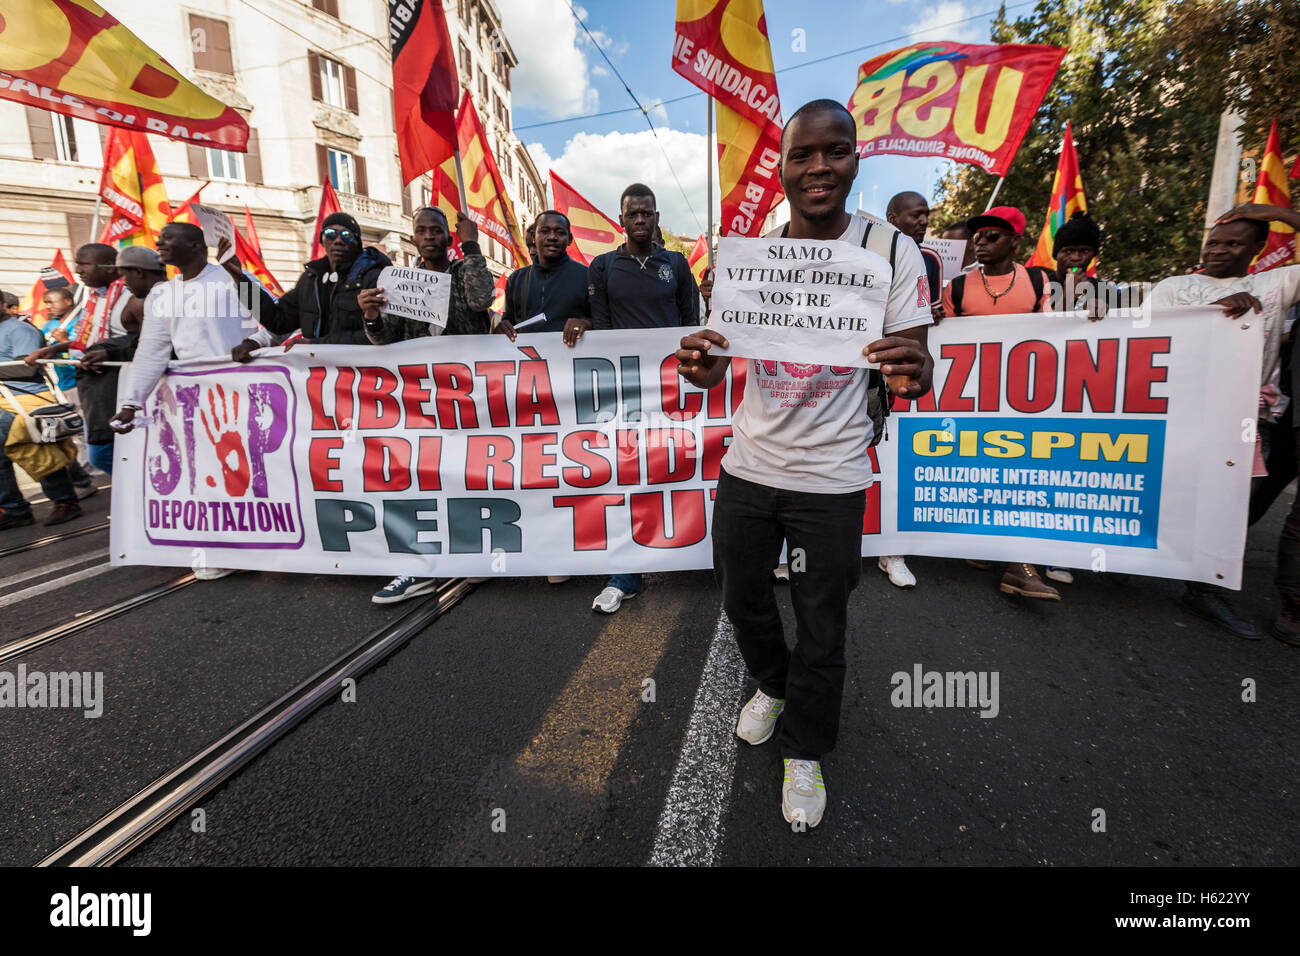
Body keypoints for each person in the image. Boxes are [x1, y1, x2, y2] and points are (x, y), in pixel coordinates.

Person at [677, 99, 933, 828]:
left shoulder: (890, 251)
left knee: (823, 623)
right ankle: (774, 683)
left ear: (856, 159)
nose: (819, 166)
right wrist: (697, 362)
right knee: (739, 598)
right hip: (751, 463)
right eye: (802, 154)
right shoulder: (753, 251)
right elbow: (713, 367)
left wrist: (915, 368)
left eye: (836, 151)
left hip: (832, 477)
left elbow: (919, 369)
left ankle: (805, 750)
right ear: (783, 166)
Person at [1147, 202, 1300, 641]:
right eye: (1213, 242)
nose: (1219, 250)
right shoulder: (1174, 286)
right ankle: (1121, 562)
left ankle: (1203, 589)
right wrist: (1214, 311)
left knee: (1224, 508)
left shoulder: (1274, 284)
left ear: (1257, 247)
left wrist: (1279, 213)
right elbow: (1149, 340)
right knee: (1158, 491)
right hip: (1176, 411)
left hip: (1241, 421)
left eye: (1234, 243)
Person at [109, 223, 269, 581]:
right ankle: (220, 546)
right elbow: (152, 350)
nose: (159, 244)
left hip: (243, 394)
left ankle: (261, 542)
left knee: (245, 471)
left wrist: (253, 344)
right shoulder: (161, 295)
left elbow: (276, 323)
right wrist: (132, 403)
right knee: (204, 475)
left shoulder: (232, 279)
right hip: (191, 400)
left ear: (196, 245)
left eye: (168, 238)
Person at [356, 205, 495, 604]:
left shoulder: (463, 269)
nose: (430, 236)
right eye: (422, 230)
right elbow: (386, 340)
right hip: (421, 399)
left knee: (467, 478)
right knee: (423, 480)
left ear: (447, 238)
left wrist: (471, 245)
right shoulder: (400, 282)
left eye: (437, 230)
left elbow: (481, 298)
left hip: (468, 396)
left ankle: (473, 553)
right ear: (414, 237)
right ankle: (418, 568)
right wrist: (371, 317)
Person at [588, 182, 701, 613]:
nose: (640, 220)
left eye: (647, 213)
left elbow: (690, 323)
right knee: (628, 475)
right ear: (621, 219)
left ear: (657, 219)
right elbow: (600, 330)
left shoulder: (676, 263)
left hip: (673, 388)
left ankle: (690, 551)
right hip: (627, 391)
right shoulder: (601, 267)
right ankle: (625, 575)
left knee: (680, 465)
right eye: (632, 213)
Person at [940, 206, 1061, 600]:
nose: (981, 243)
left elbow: (1072, 328)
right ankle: (984, 546)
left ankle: (1020, 566)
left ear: (1015, 241)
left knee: (1022, 479)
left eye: (993, 236)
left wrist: (1096, 312)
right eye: (978, 237)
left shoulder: (1042, 281)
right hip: (973, 403)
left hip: (1027, 403)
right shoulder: (956, 288)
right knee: (981, 477)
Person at [879, 189, 943, 590]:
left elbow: (935, 311)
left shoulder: (931, 260)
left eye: (926, 216)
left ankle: (892, 551)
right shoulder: (871, 251)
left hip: (912, 378)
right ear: (892, 216)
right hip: (872, 381)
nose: (922, 222)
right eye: (915, 215)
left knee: (898, 467)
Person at [0, 286, 81, 529]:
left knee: (39, 452)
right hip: (5, 402)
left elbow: (28, 367)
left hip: (25, 400)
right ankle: (14, 508)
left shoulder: (19, 329)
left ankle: (65, 501)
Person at [497, 210, 590, 339]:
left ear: (569, 239)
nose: (552, 237)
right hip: (529, 358)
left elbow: (603, 323)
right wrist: (503, 328)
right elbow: (509, 323)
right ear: (533, 236)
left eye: (560, 232)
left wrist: (586, 324)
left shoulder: (587, 276)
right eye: (545, 231)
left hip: (571, 356)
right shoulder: (517, 279)